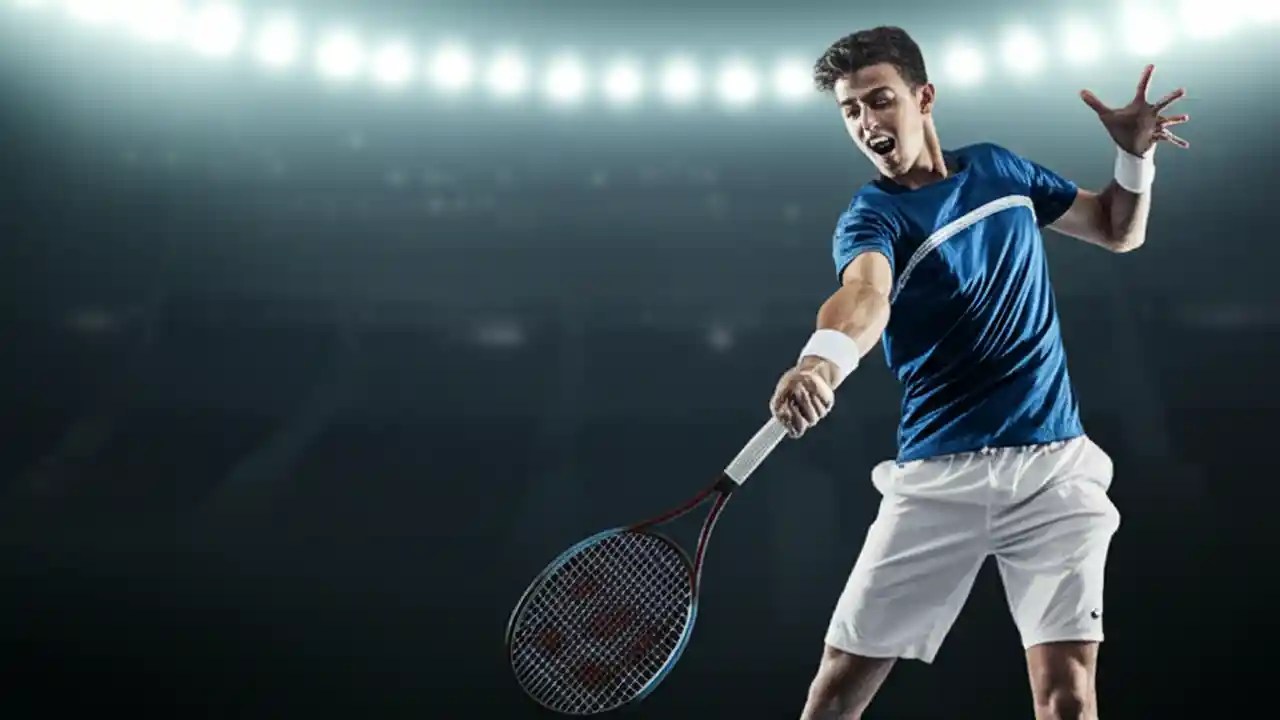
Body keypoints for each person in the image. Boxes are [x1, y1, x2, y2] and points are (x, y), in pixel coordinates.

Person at [767, 26, 1189, 720]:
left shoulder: (999, 171)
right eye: (851, 111)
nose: (868, 122)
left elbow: (1117, 228)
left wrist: (1132, 156)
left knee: (1067, 697)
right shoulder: (873, 215)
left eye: (880, 100)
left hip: (1054, 471)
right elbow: (865, 296)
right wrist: (821, 361)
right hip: (937, 481)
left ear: (923, 96)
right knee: (835, 695)